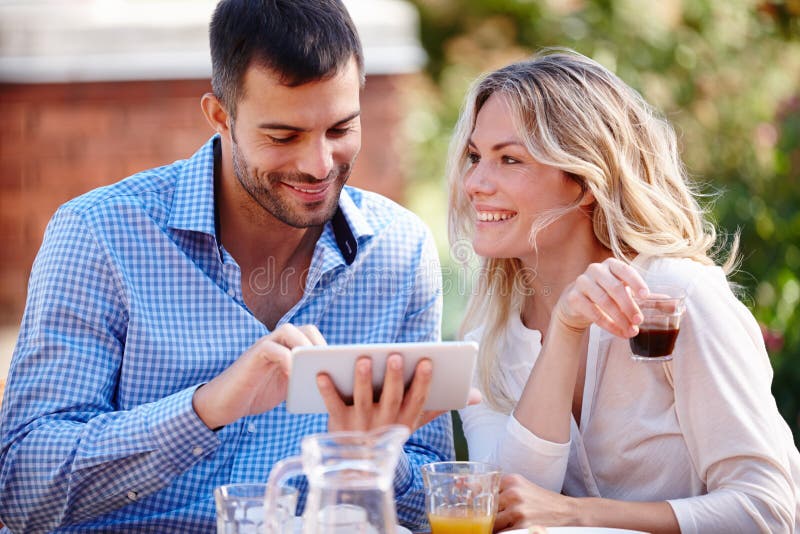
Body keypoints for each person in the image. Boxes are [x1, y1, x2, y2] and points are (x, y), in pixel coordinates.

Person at [0, 1, 456, 531]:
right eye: (283, 137)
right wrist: (206, 408)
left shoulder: (399, 252)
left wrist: (368, 455)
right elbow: (20, 488)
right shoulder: (101, 235)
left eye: (340, 129)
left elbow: (434, 500)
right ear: (220, 117)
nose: (318, 165)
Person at [450, 49, 800, 533]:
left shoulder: (676, 300)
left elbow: (767, 510)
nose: (474, 183)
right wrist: (566, 331)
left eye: (509, 159)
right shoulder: (488, 335)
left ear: (585, 181)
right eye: (474, 157)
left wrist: (578, 514)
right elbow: (510, 513)